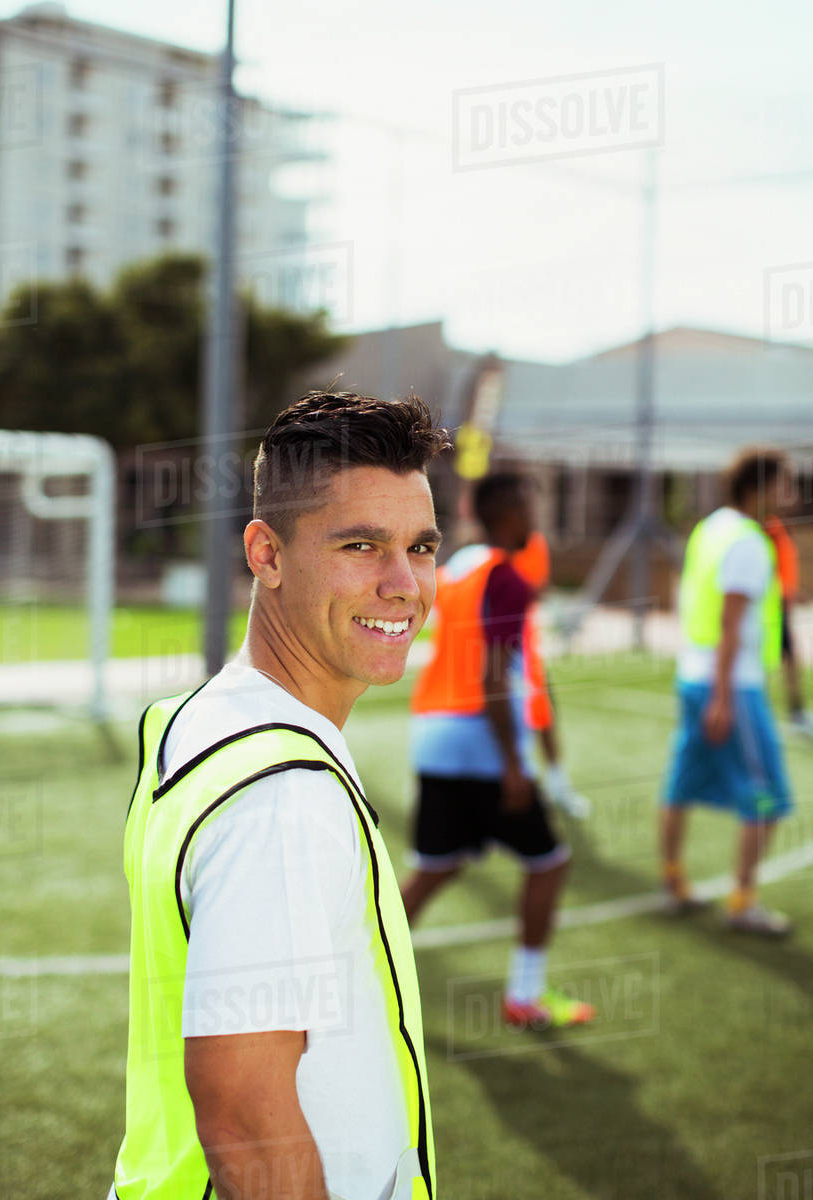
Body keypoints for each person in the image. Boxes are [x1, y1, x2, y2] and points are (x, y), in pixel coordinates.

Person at [108, 392, 449, 1200]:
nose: (403, 584)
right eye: (362, 545)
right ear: (267, 554)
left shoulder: (203, 718)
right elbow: (245, 1118)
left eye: (421, 547)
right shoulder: (284, 795)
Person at [402, 472, 596, 1030]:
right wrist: (514, 764)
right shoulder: (507, 578)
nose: (535, 518)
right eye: (529, 507)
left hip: (434, 734)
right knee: (549, 864)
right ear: (508, 514)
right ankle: (525, 996)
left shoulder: (460, 567)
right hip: (480, 743)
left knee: (436, 867)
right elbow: (493, 677)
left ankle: (357, 980)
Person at [660, 447, 794, 936]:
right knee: (768, 794)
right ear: (760, 488)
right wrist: (723, 697)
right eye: (784, 484)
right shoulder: (748, 541)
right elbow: (730, 623)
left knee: (681, 785)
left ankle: (674, 881)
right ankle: (743, 901)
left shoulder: (711, 527)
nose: (790, 494)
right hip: (732, 686)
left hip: (694, 676)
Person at [512, 525, 591, 819]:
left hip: (524, 650)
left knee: (544, 713)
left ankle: (556, 783)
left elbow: (535, 586)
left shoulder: (533, 541)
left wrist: (557, 605)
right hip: (493, 651)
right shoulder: (482, 549)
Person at [764, 512, 813, 735]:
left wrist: (792, 592)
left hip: (781, 604)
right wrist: (783, 593)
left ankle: (796, 709)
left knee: (790, 657)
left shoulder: (779, 524)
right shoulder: (766, 527)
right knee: (769, 660)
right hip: (771, 606)